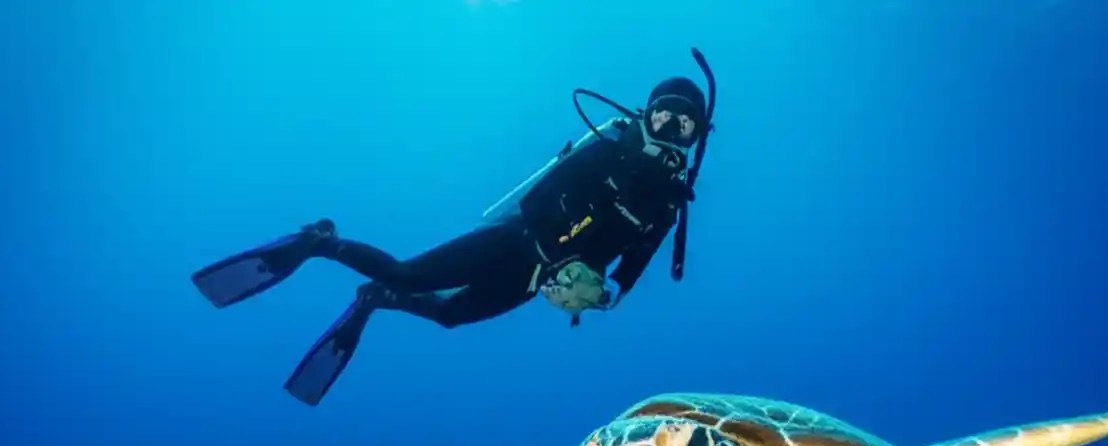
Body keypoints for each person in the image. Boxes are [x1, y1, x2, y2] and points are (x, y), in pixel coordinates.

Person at [190, 49, 717, 406]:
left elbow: (631, 274)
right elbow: (535, 202)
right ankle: (318, 243)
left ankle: (375, 300)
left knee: (448, 317)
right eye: (664, 118)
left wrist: (596, 296)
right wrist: (567, 258)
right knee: (408, 272)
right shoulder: (607, 152)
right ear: (646, 117)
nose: (672, 132)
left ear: (697, 137)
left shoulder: (668, 205)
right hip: (513, 245)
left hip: (533, 286)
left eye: (685, 126)